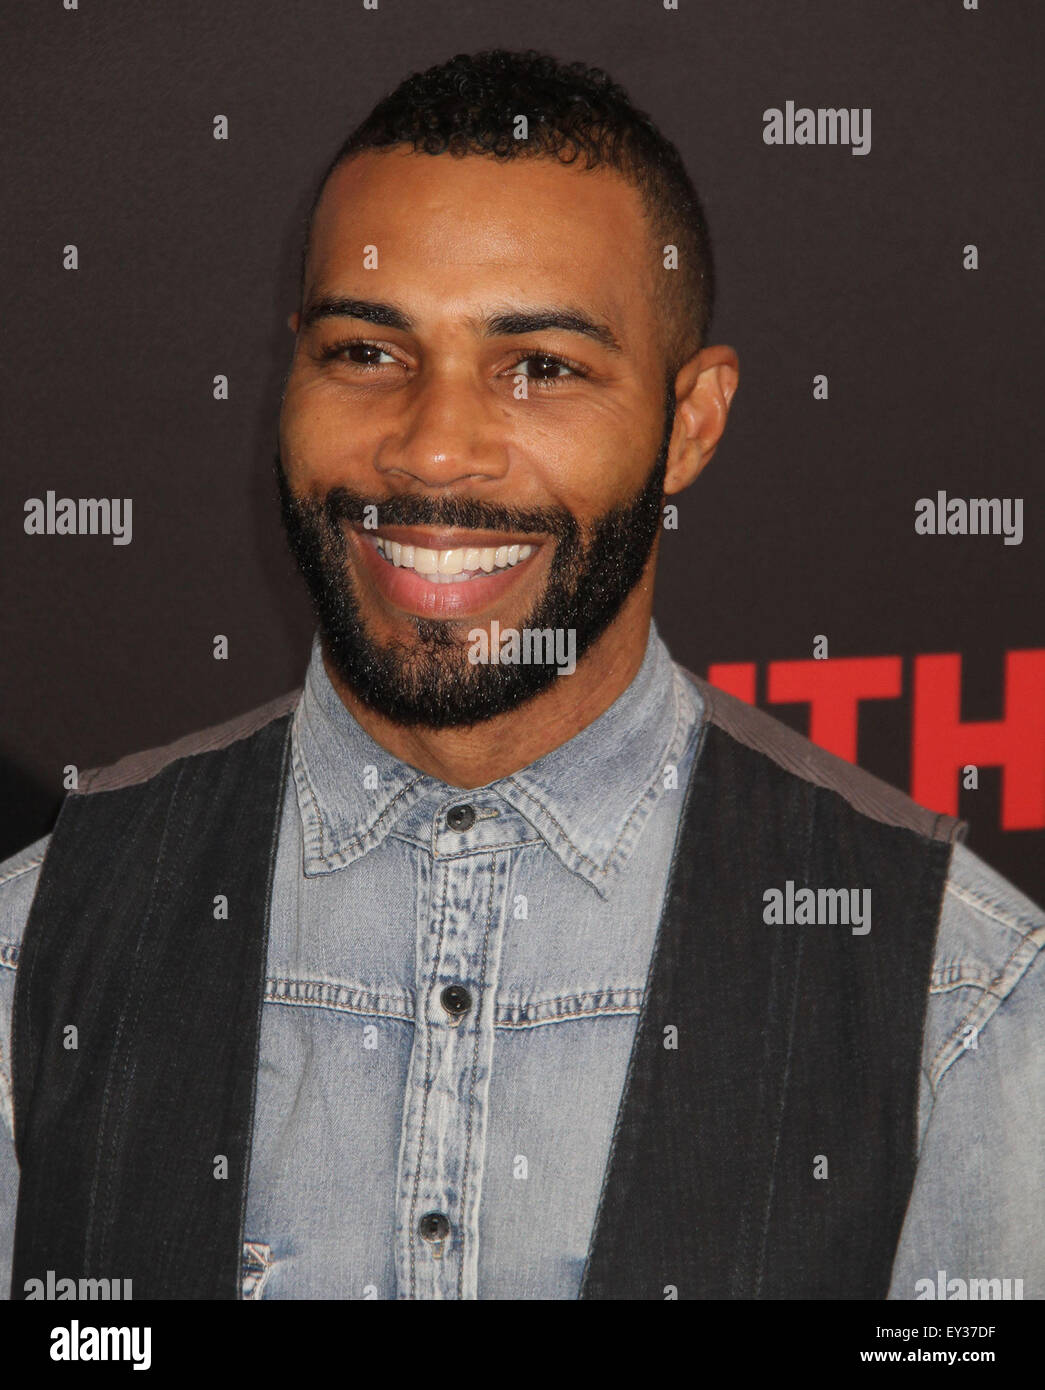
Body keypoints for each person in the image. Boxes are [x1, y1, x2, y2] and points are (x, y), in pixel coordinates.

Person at [1, 48, 1042, 1302]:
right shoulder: (37, 942)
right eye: (366, 353)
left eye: (541, 367)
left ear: (691, 421)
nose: (435, 448)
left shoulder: (951, 989)